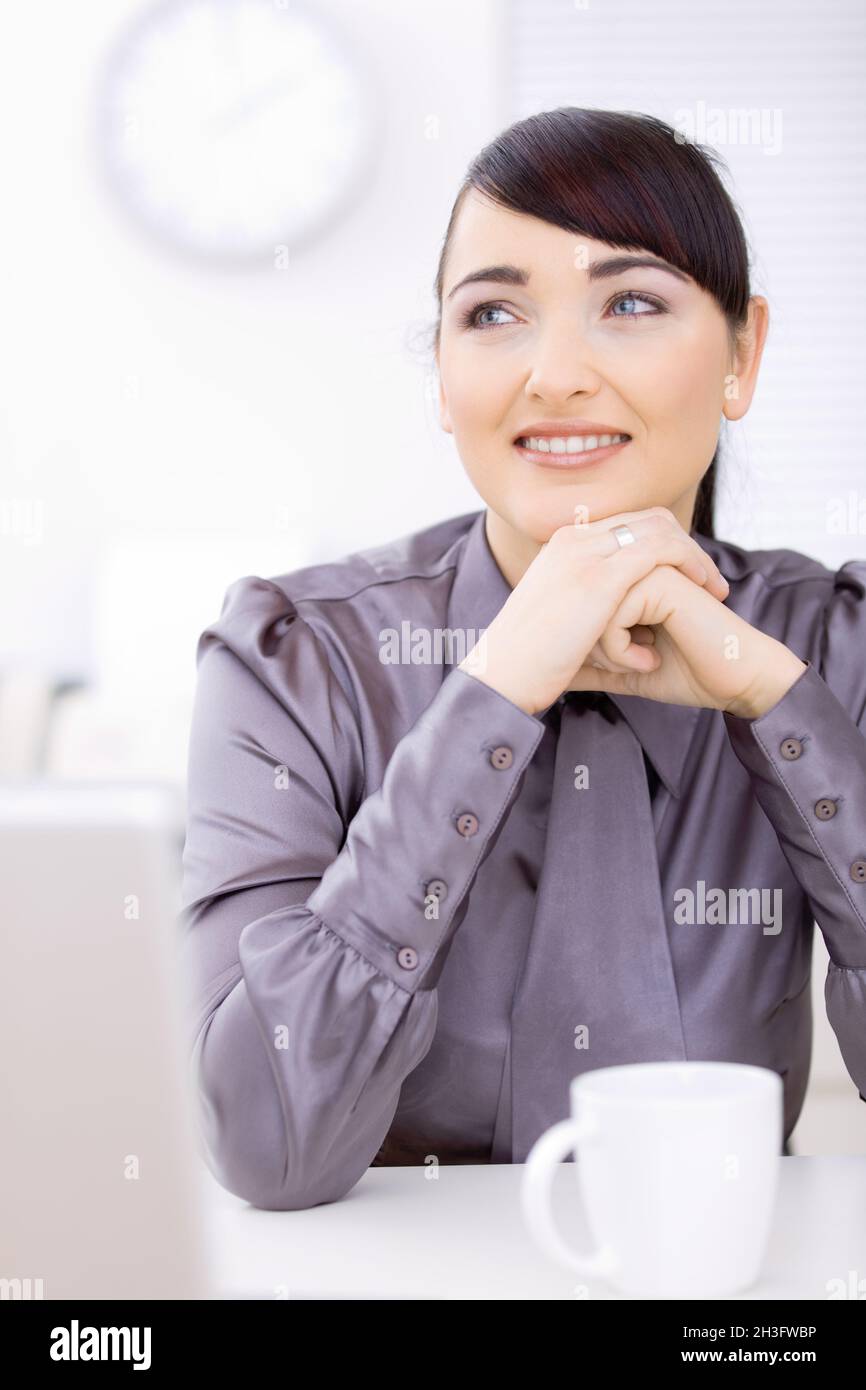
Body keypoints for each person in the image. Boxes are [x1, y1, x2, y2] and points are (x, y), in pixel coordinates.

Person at [179, 108, 866, 1211]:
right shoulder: (292, 663)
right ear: (443, 376)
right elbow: (267, 1144)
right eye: (493, 312)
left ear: (741, 355)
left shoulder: (830, 640)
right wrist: (492, 695)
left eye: (630, 303)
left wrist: (778, 708)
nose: (554, 375)